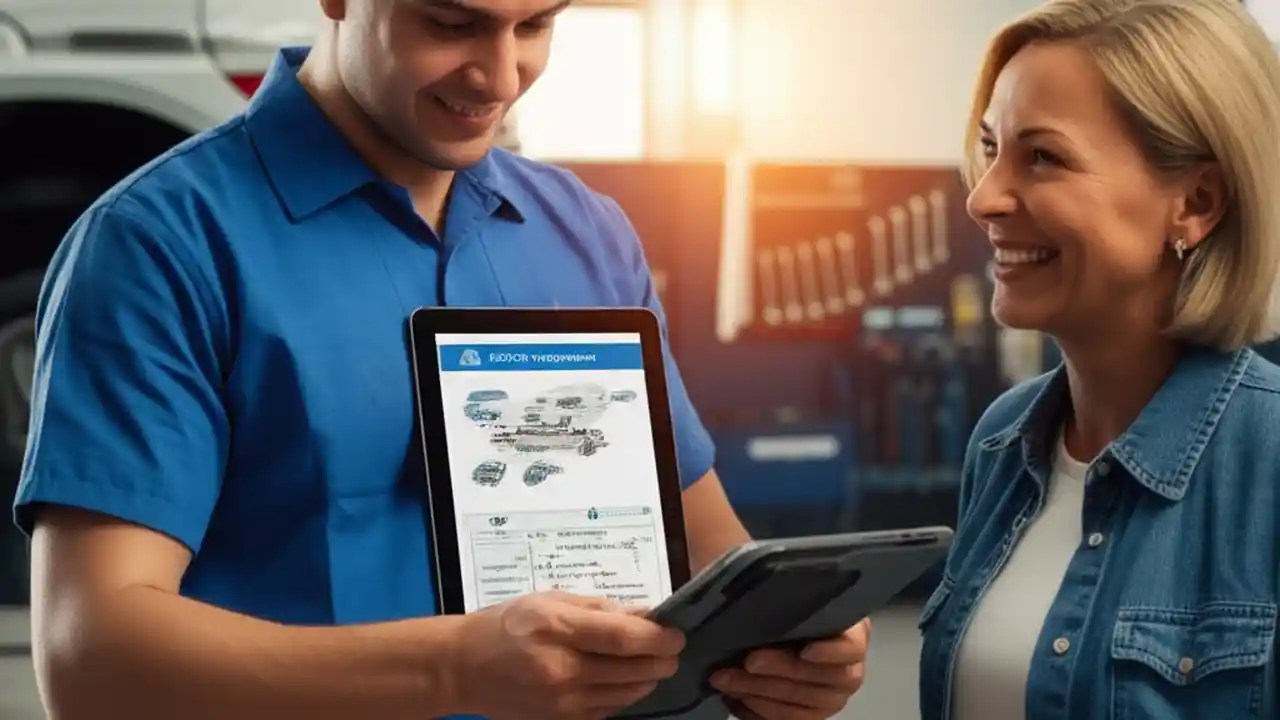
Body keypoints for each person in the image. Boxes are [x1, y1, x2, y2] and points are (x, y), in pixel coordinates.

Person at [12, 2, 870, 719]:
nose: (498, 76)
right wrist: (454, 667)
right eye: (451, 22)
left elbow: (704, 549)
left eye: (534, 25)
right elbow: (94, 660)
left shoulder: (585, 234)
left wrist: (787, 646)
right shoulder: (159, 246)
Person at [917, 0, 1280, 718]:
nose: (983, 198)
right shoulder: (1004, 441)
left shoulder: (1267, 464)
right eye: (991, 149)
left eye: (1043, 157)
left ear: (1197, 201)